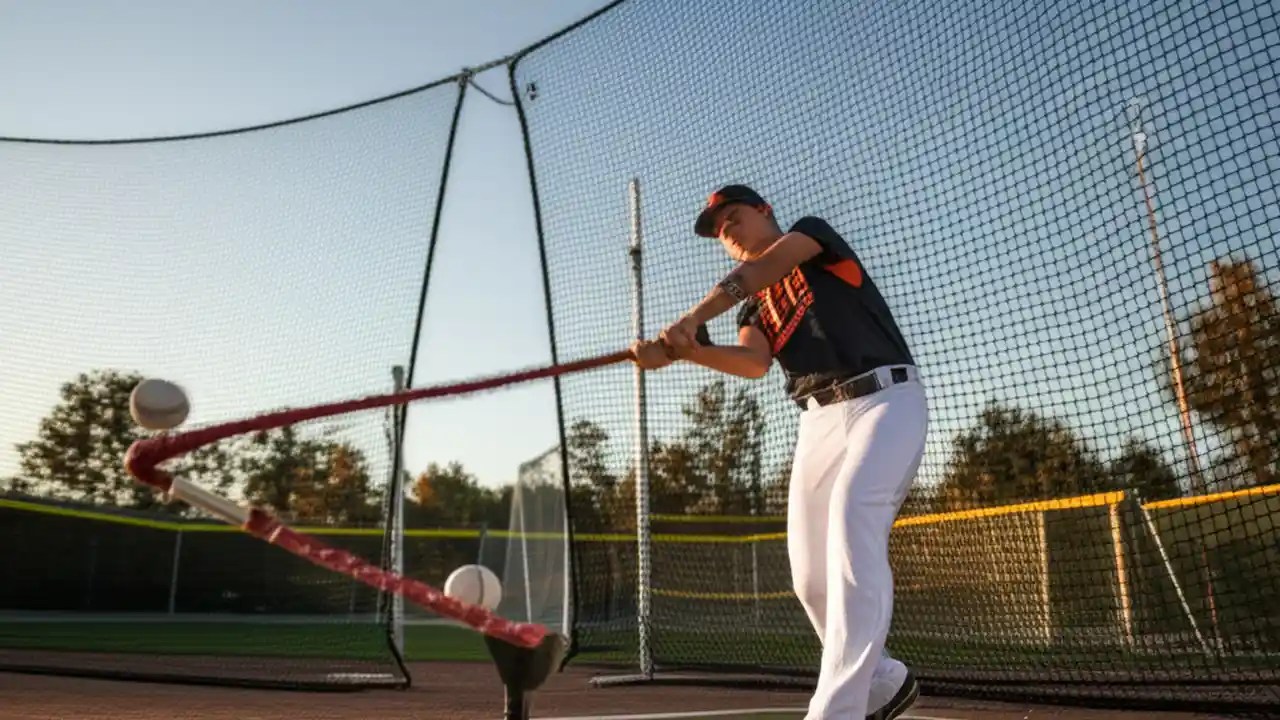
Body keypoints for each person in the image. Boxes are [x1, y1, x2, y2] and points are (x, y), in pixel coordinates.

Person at [631, 185, 928, 720]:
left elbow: (755, 273)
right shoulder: (754, 307)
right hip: (818, 421)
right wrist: (683, 353)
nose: (729, 233)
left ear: (764, 211)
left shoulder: (810, 237)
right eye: (720, 232)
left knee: (853, 514)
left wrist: (692, 319)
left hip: (884, 399)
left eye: (734, 218)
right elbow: (751, 362)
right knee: (810, 578)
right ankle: (885, 681)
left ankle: (835, 711)